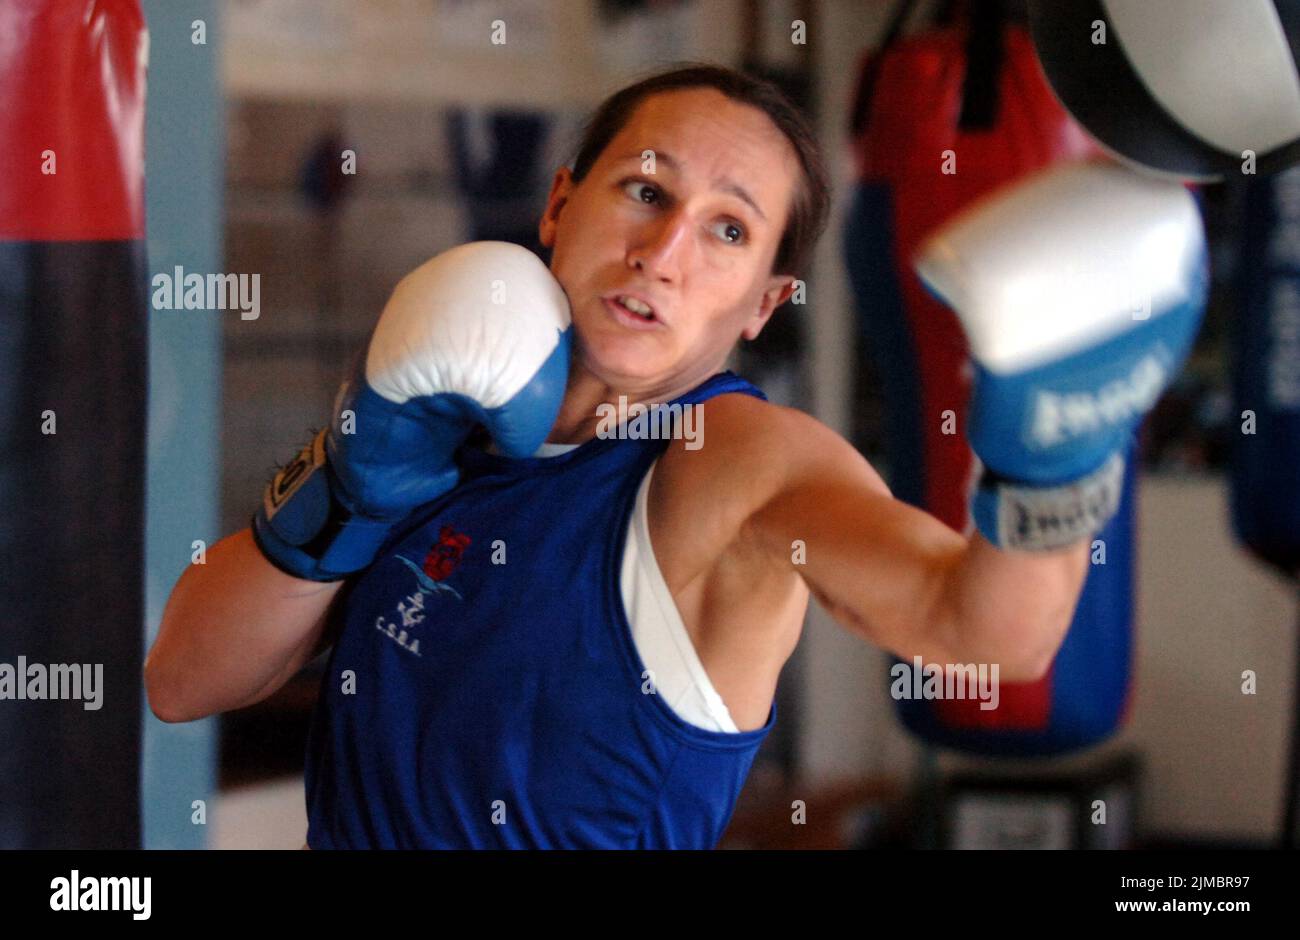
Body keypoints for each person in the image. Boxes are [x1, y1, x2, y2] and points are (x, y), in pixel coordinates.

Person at [144, 64, 1204, 848]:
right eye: (645, 192)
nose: (662, 254)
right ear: (561, 204)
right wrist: (353, 479)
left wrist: (1055, 459)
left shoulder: (741, 466)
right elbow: (185, 677)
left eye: (728, 232)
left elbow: (984, 629)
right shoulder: (442, 393)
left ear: (763, 306)